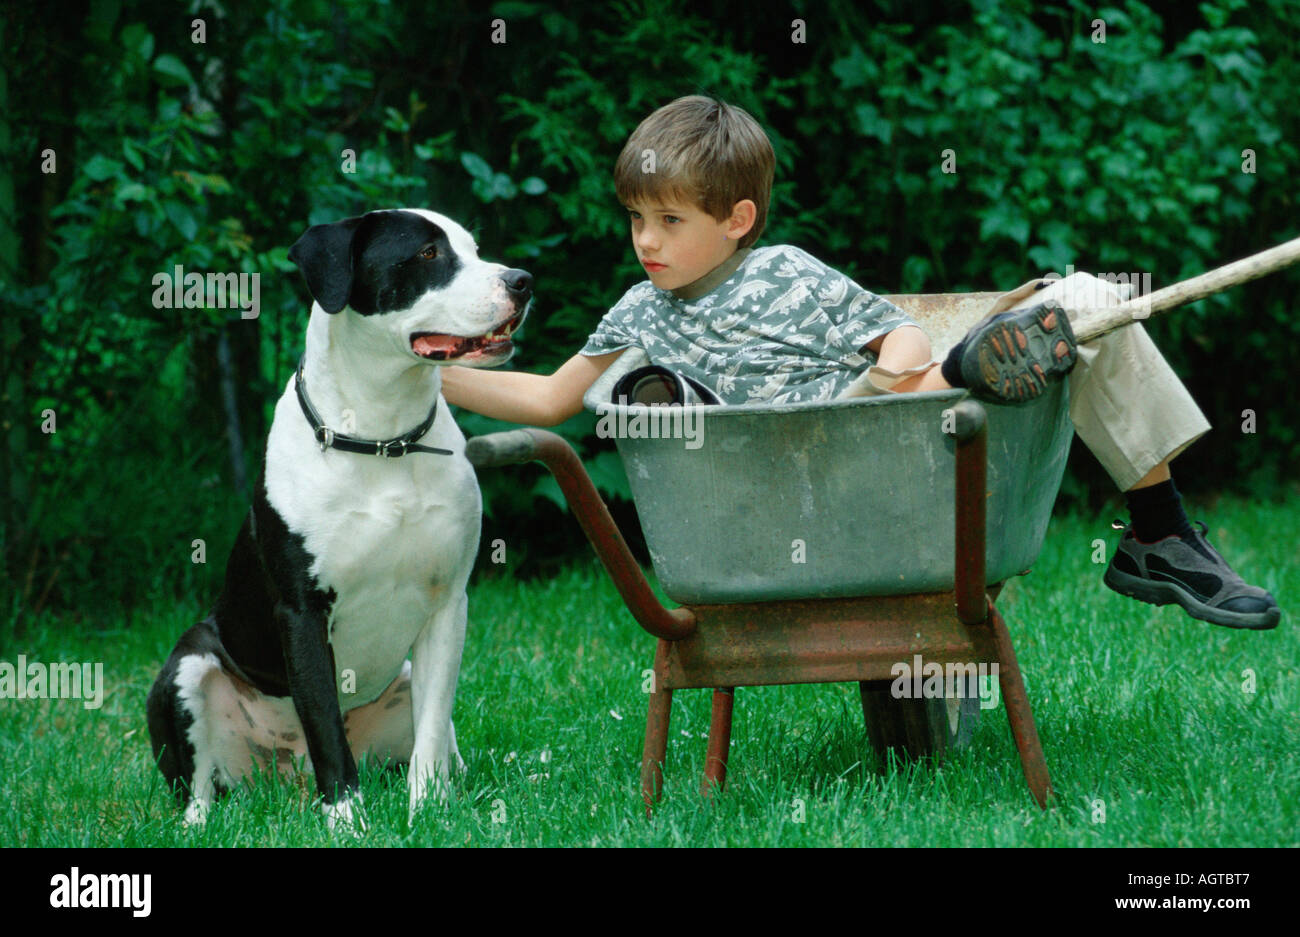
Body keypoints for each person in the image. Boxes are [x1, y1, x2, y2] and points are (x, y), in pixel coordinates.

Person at [441, 95, 1280, 631]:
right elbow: (551, 399)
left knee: (1089, 298)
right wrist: (427, 371)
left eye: (668, 221)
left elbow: (899, 339)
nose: (646, 242)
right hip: (786, 490)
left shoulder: (788, 271)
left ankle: (1158, 530)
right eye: (635, 219)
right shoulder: (640, 311)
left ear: (738, 219)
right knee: (670, 391)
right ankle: (977, 368)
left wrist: (889, 374)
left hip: (885, 446)